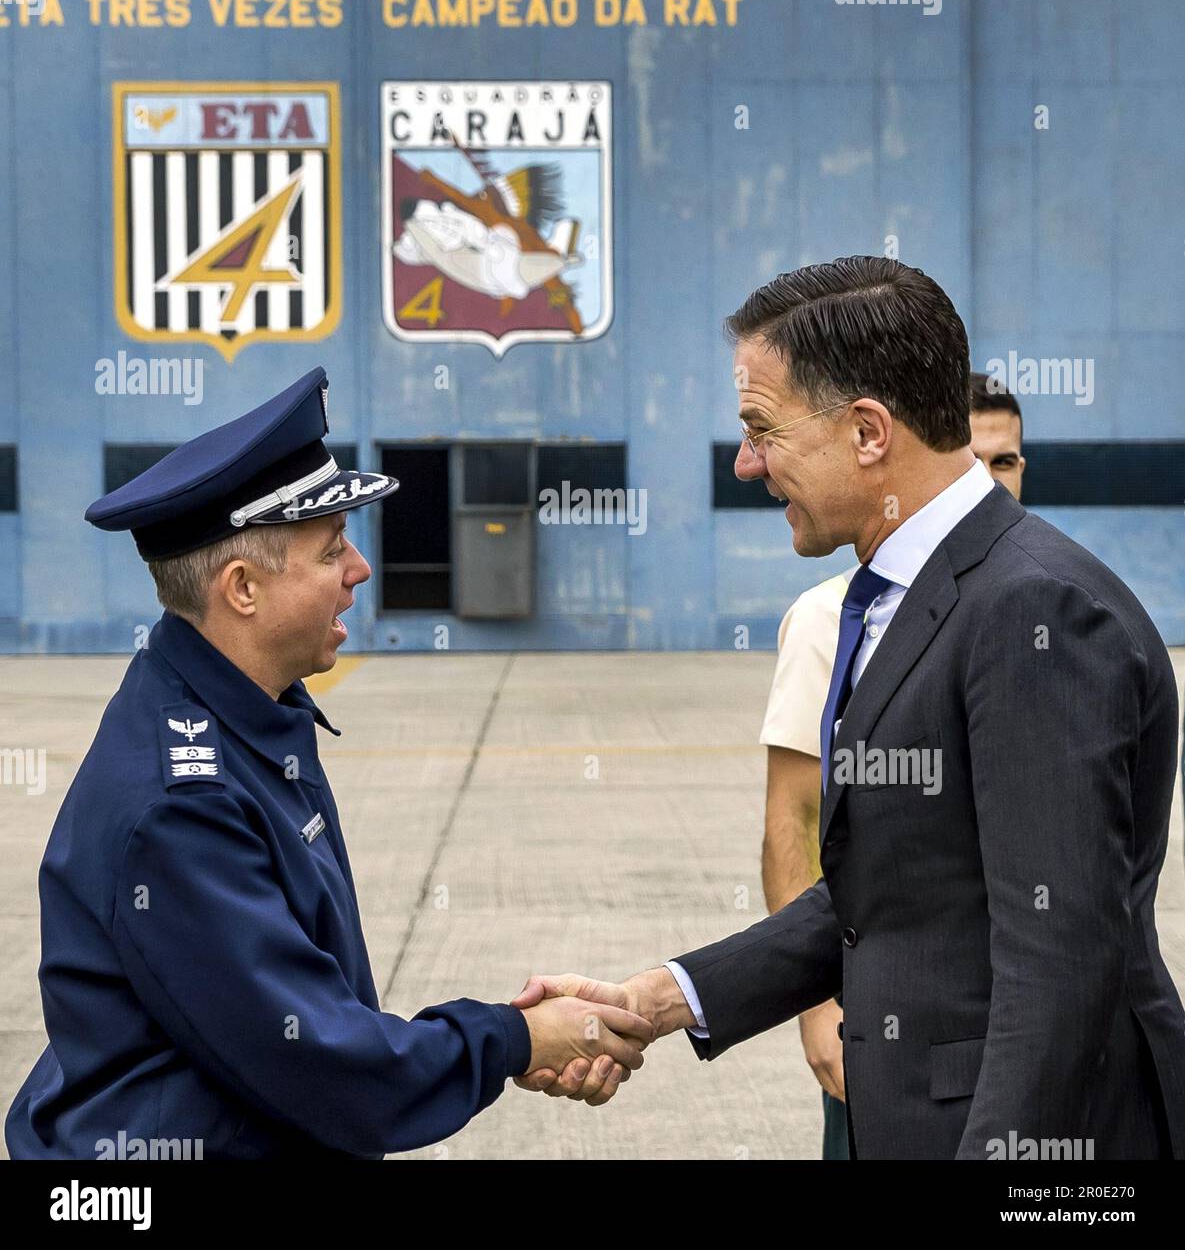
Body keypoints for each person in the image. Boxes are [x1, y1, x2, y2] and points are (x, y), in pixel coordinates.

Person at [515, 257, 1185, 1160]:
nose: (748, 463)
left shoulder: (1034, 612)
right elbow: (899, 893)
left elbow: (1059, 962)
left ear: (868, 432)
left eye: (761, 429)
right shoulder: (907, 597)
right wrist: (659, 999)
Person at [5, 367, 650, 1159]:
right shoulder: (182, 803)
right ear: (242, 589)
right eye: (331, 550)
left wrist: (514, 1035)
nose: (359, 571)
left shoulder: (241, 712)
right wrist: (511, 1039)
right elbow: (318, 1061)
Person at [759, 372, 1027, 1159]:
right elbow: (794, 820)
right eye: (972, 460)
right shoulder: (829, 619)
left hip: (1019, 1039)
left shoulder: (1054, 607)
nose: (988, 480)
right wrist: (815, 1011)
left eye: (1005, 461)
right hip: (883, 1031)